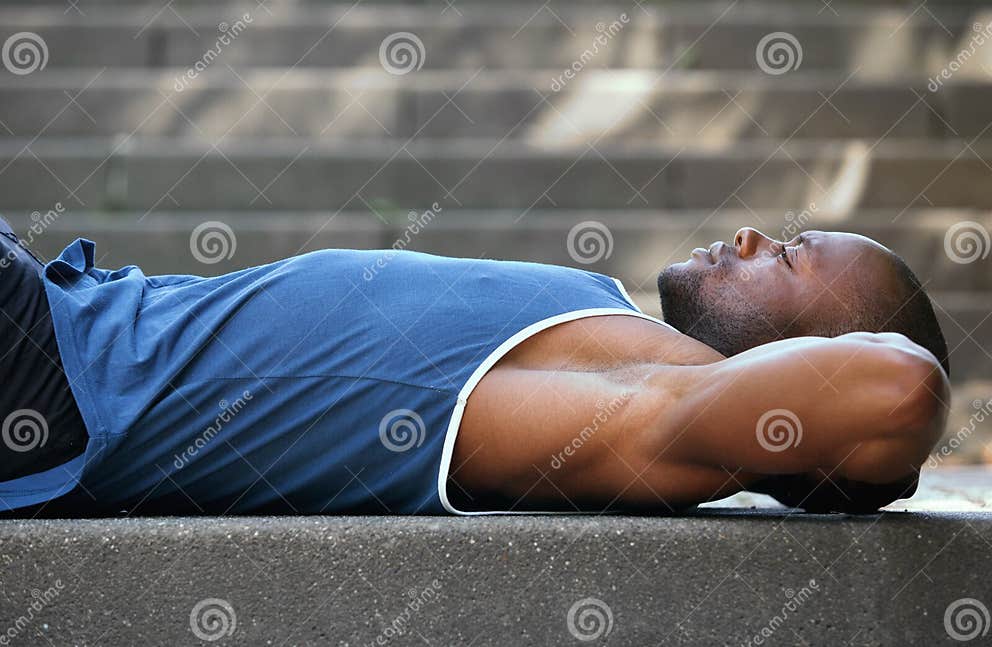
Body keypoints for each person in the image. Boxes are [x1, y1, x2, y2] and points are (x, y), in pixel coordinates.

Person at [0, 218, 949, 516]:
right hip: (62, 316)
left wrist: (843, 432)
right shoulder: (608, 325)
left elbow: (899, 393)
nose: (748, 234)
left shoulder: (642, 406)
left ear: (809, 354)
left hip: (56, 378)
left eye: (788, 255)